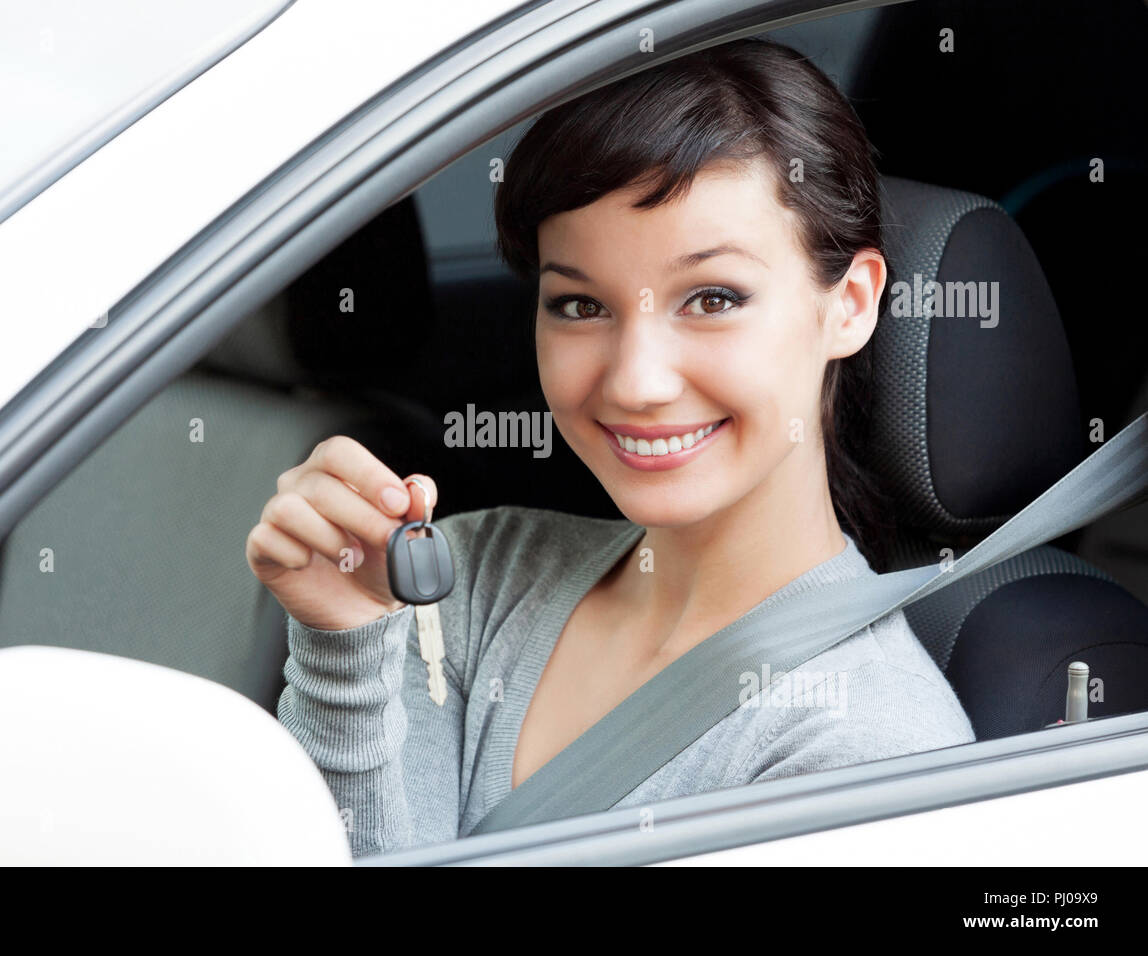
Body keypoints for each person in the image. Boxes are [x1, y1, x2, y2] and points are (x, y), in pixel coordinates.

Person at [246, 38, 975, 858]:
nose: (635, 382)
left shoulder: (865, 748)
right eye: (580, 305)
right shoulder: (473, 571)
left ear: (849, 305)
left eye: (713, 297)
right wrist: (345, 638)